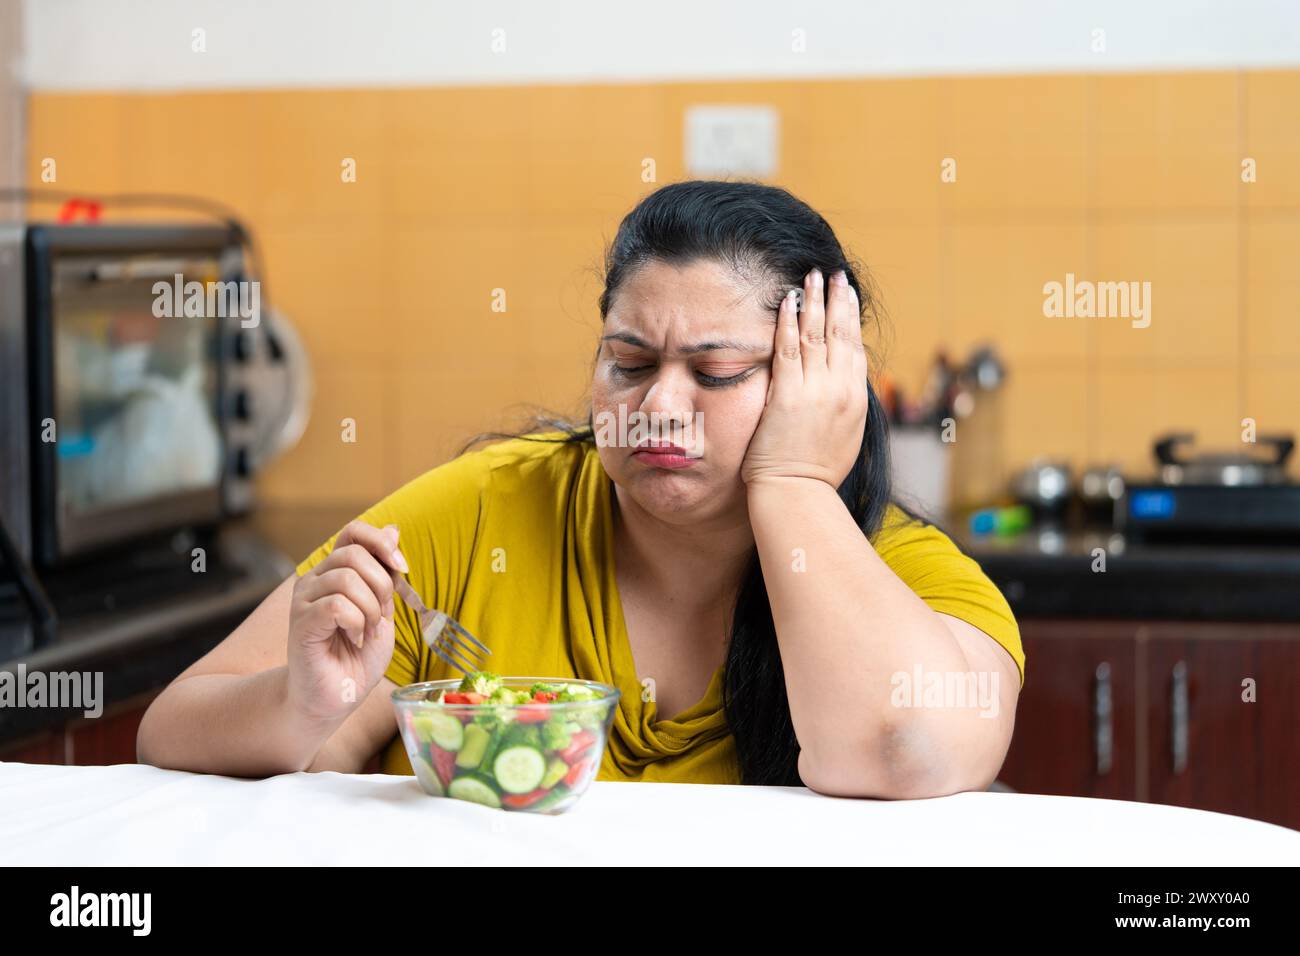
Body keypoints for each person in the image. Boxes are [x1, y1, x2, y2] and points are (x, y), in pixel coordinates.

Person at [138, 180, 1024, 796]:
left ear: (818, 382)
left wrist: (792, 482)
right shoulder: (482, 507)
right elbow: (172, 729)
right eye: (629, 363)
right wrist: (300, 707)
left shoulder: (901, 573)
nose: (658, 408)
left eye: (716, 373)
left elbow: (906, 752)